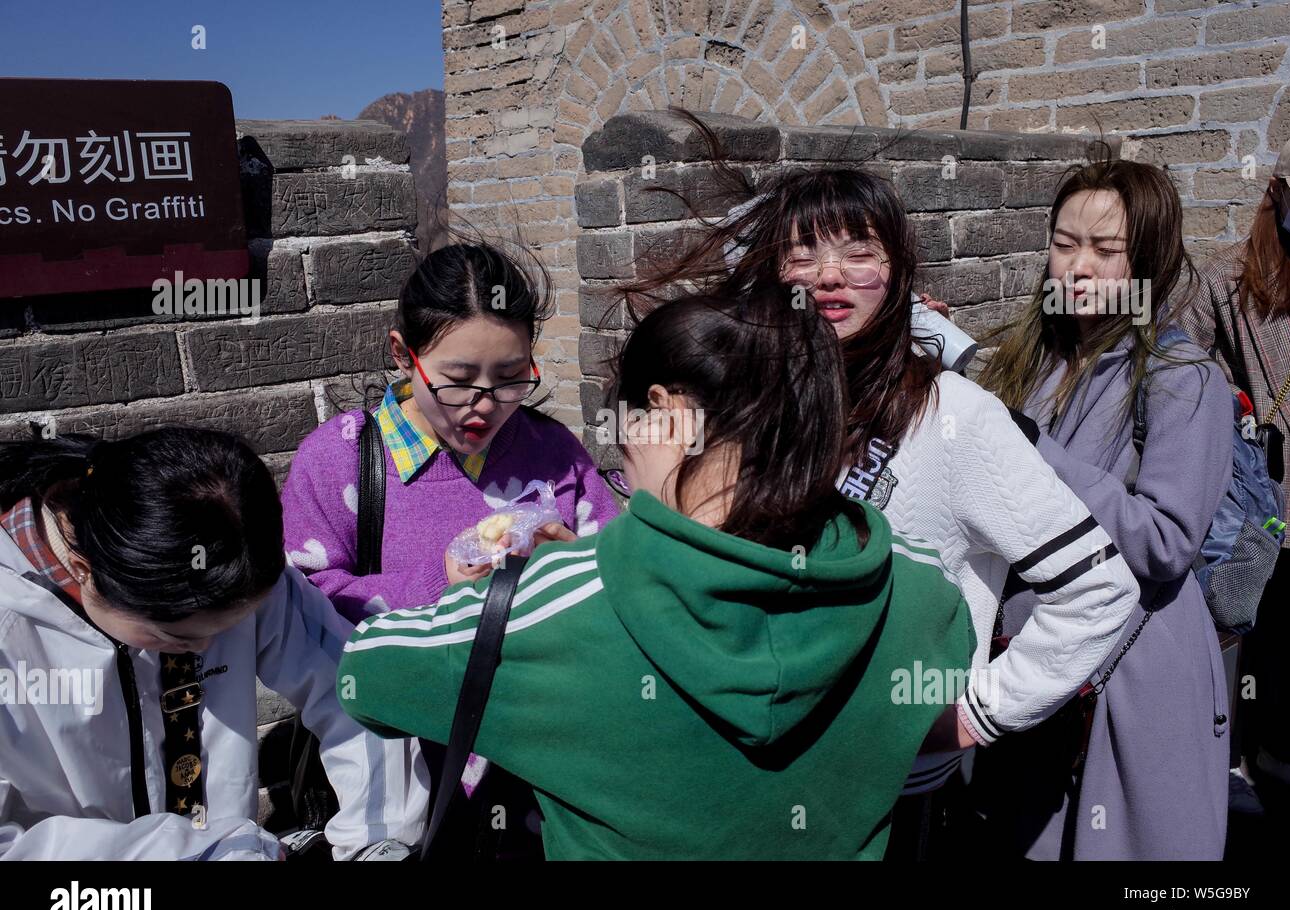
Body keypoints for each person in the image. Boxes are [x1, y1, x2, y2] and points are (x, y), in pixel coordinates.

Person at [614, 112, 1141, 857]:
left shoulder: (956, 415)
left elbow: (1100, 589)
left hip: (898, 794)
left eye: (859, 252)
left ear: (898, 272)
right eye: (802, 255)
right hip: (759, 773)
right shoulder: (760, 406)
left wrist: (971, 715)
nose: (829, 275)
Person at [337, 288, 977, 859]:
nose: (625, 459)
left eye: (626, 433)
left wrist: (491, 596)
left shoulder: (558, 605)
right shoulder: (922, 592)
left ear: (667, 413)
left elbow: (366, 676)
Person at [0, 427, 427, 860]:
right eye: (176, 637)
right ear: (83, 567)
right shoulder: (9, 626)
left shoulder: (233, 562)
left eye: (227, 628)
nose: (207, 649)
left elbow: (349, 692)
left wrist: (378, 839)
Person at [976, 158, 1233, 859]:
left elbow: (1166, 541)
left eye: (1105, 249)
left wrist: (1039, 455)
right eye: (1064, 243)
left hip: (1130, 683)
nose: (1077, 266)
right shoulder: (1034, 365)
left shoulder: (1185, 380)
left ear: (1146, 259)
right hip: (1035, 679)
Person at [281, 240, 621, 624]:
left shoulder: (554, 453)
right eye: (459, 380)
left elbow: (617, 578)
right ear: (403, 354)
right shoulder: (337, 461)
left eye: (511, 377)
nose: (486, 405)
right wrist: (439, 584)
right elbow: (305, 603)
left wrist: (577, 569)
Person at [1181, 131, 1290, 838]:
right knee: (1271, 665)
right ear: (1279, 192)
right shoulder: (1229, 279)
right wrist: (1232, 398)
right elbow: (1176, 367)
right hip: (1273, 515)